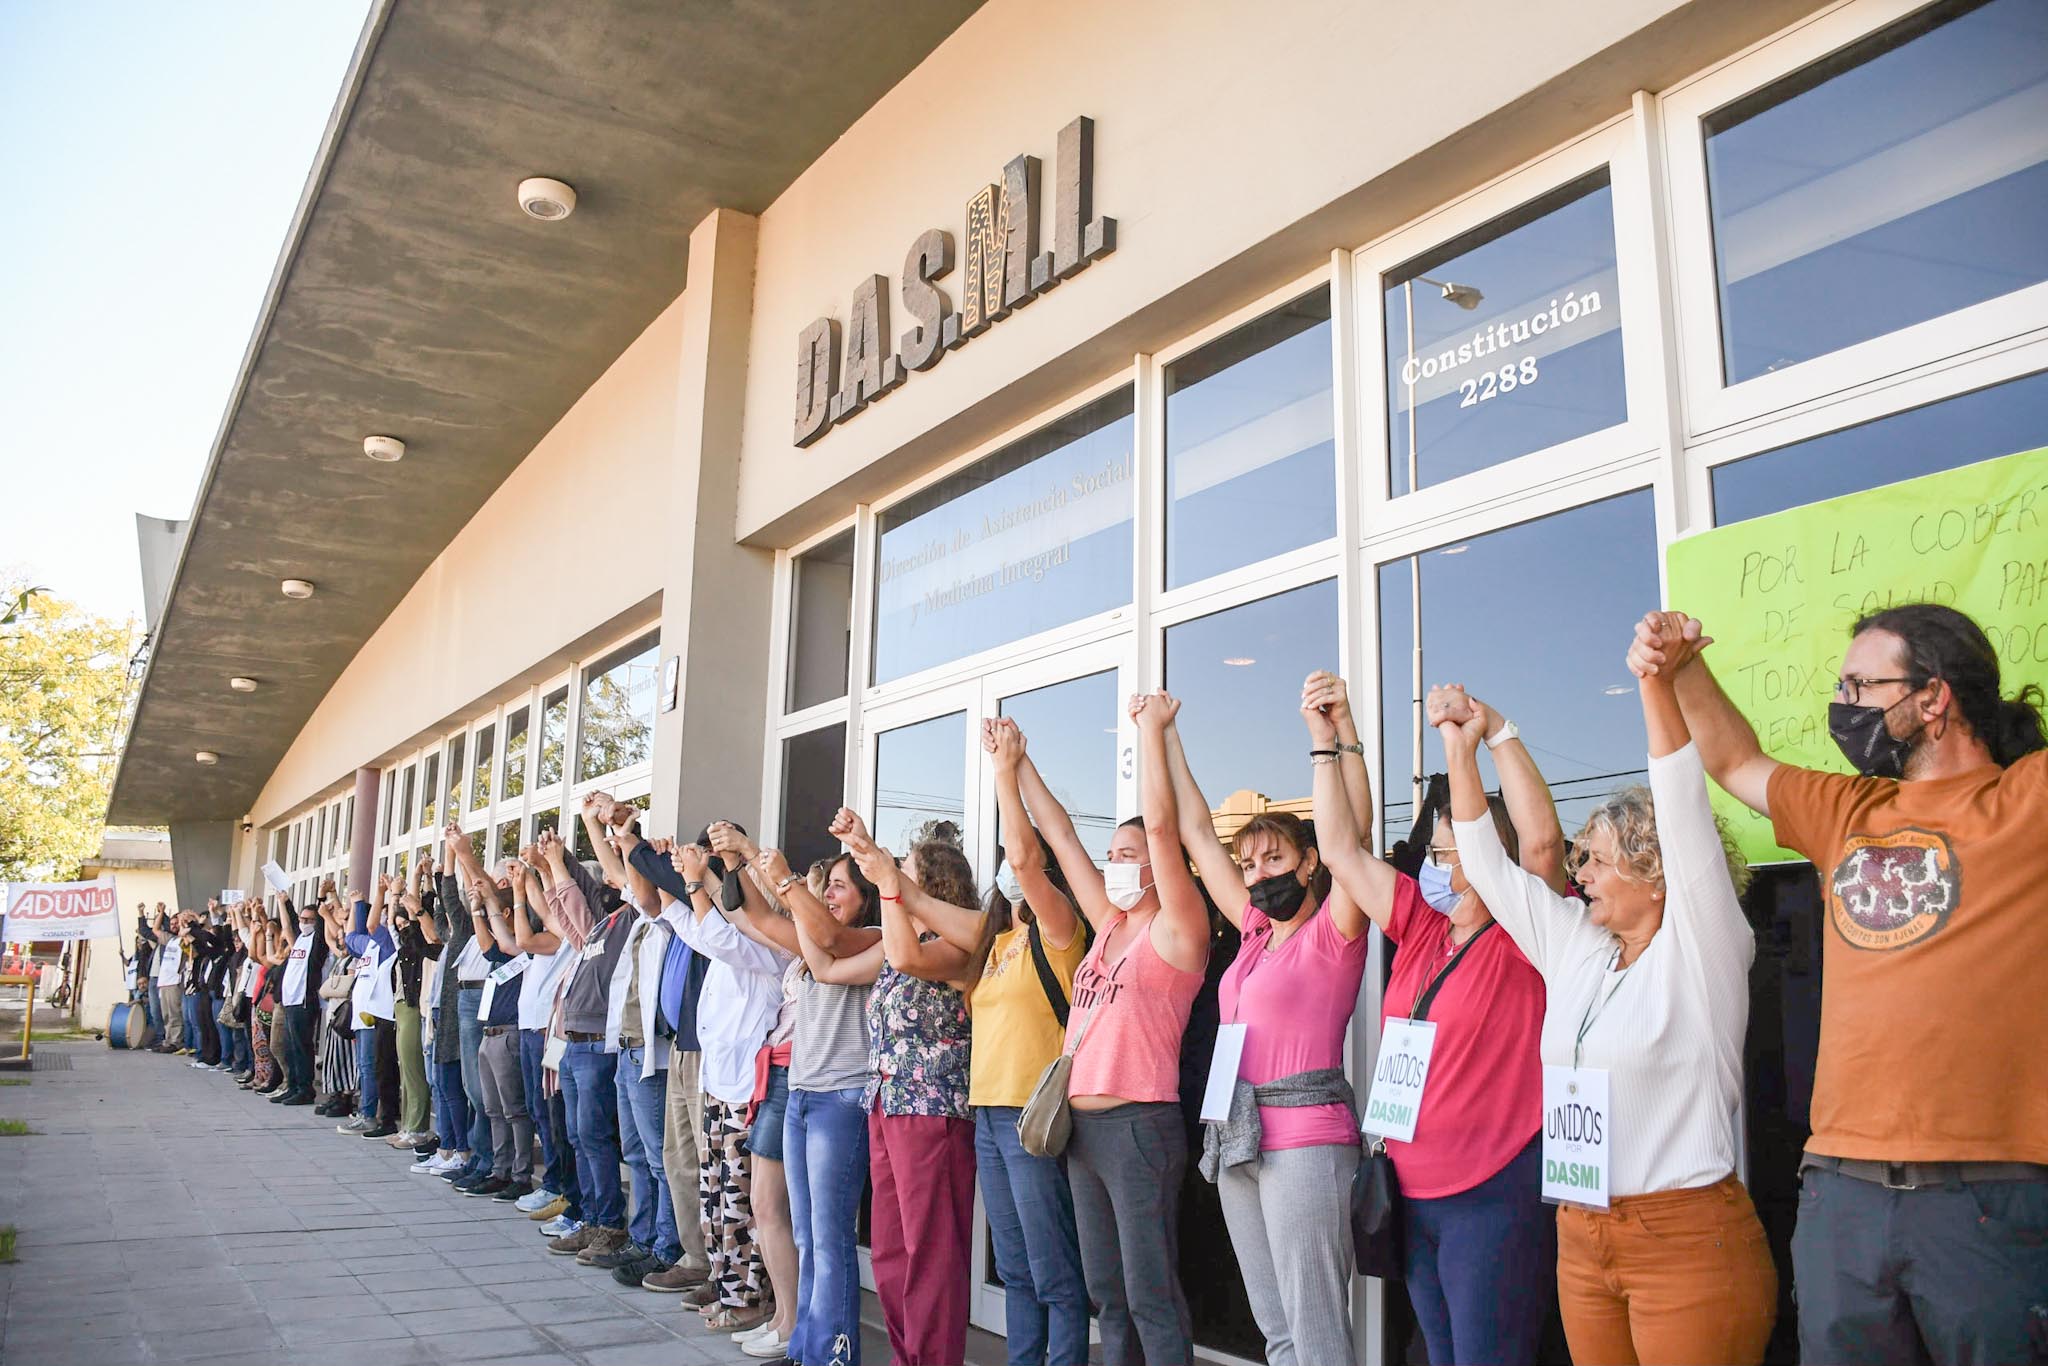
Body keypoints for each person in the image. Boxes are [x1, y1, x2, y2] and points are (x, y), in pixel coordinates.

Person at [1638, 601, 2048, 1366]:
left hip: (1987, 1199)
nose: (1842, 705)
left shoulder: (2027, 799)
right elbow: (1733, 762)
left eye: (1861, 686)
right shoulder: (1849, 808)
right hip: (1840, 1193)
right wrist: (1684, 666)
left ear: (1933, 698)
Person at [1438, 649, 1776, 1365]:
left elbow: (1680, 801)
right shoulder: (1578, 948)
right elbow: (1488, 866)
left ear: (1657, 874)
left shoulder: (1704, 952)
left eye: (1595, 858)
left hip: (1683, 1239)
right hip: (1580, 1233)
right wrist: (1471, 743)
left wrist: (1656, 681)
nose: (1578, 872)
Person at [1305, 674, 1557, 1364]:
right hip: (1409, 1191)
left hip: (1492, 1191)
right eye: (1437, 854)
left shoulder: (1523, 930)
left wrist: (1479, 739)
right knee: (1438, 1353)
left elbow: (1541, 847)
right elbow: (1339, 854)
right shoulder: (1421, 923)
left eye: (1454, 854)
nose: (1440, 866)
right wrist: (1323, 745)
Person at [1131, 677, 1374, 1365]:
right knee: (1278, 1331)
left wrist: (1329, 737)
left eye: (1274, 857)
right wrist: (1168, 734)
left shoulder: (1337, 927)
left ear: (1307, 861)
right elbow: (1198, 835)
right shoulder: (1255, 930)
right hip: (1240, 1139)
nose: (1259, 871)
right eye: (1251, 863)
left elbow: (1350, 832)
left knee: (1318, 1330)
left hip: (1305, 1142)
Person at [1051, 690, 1209, 1366]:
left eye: (1128, 852)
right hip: (1082, 1132)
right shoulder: (1107, 927)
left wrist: (1152, 733)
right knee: (1107, 1294)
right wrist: (1013, 764)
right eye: (1112, 851)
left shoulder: (1177, 930)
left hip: (1140, 1129)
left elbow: (1169, 831)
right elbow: (1057, 839)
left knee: (1150, 1293)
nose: (1115, 862)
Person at [816, 809, 978, 1366]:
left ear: (934, 885)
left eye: (908, 872)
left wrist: (888, 883)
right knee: (889, 1250)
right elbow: (834, 947)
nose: (898, 881)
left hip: (931, 1107)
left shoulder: (958, 946)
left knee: (931, 1252)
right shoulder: (899, 934)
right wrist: (861, 846)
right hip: (885, 1102)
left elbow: (909, 957)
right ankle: (907, 1356)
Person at [744, 839, 882, 1366]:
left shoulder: (867, 938)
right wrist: (738, 862)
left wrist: (785, 879)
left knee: (829, 1239)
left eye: (839, 887)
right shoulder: (815, 937)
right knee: (805, 1235)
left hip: (839, 1100)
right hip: (802, 1095)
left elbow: (826, 936)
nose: (827, 894)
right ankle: (806, 1345)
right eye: (825, 887)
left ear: (866, 900)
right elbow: (756, 920)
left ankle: (835, 1353)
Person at [503, 852, 586, 1231]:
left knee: (558, 1119)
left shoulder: (568, 934)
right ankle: (559, 1186)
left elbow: (525, 934)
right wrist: (528, 879)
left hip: (551, 1035)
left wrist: (527, 884)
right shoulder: (559, 929)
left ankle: (563, 1189)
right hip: (537, 1029)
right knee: (543, 1112)